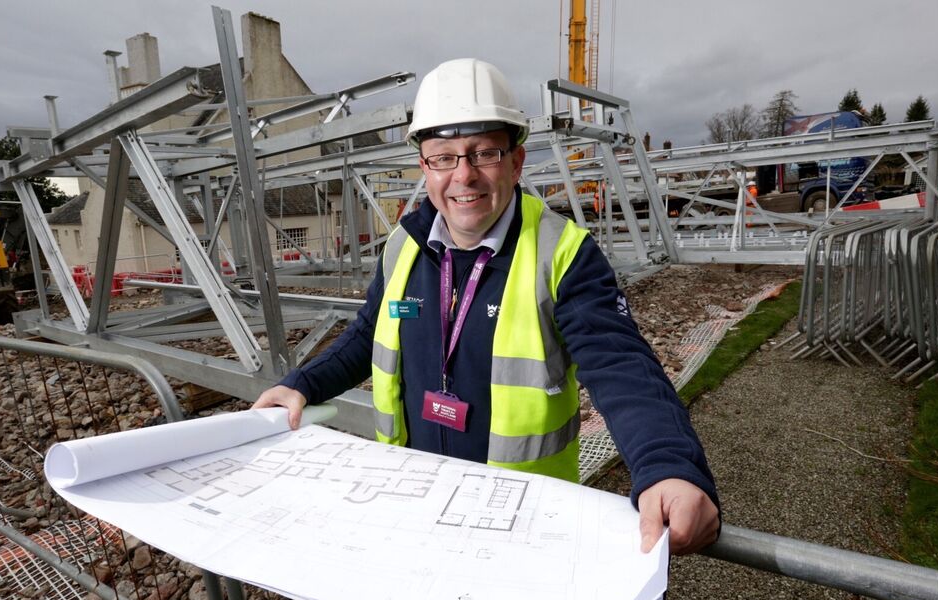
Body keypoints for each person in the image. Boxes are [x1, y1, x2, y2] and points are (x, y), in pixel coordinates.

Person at [253, 58, 719, 555]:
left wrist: (668, 465)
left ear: (516, 162)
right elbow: (367, 335)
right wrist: (300, 384)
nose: (464, 176)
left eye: (484, 154)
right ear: (425, 168)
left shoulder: (561, 255)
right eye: (445, 157)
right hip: (418, 499)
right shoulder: (403, 246)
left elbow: (620, 363)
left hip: (522, 520)